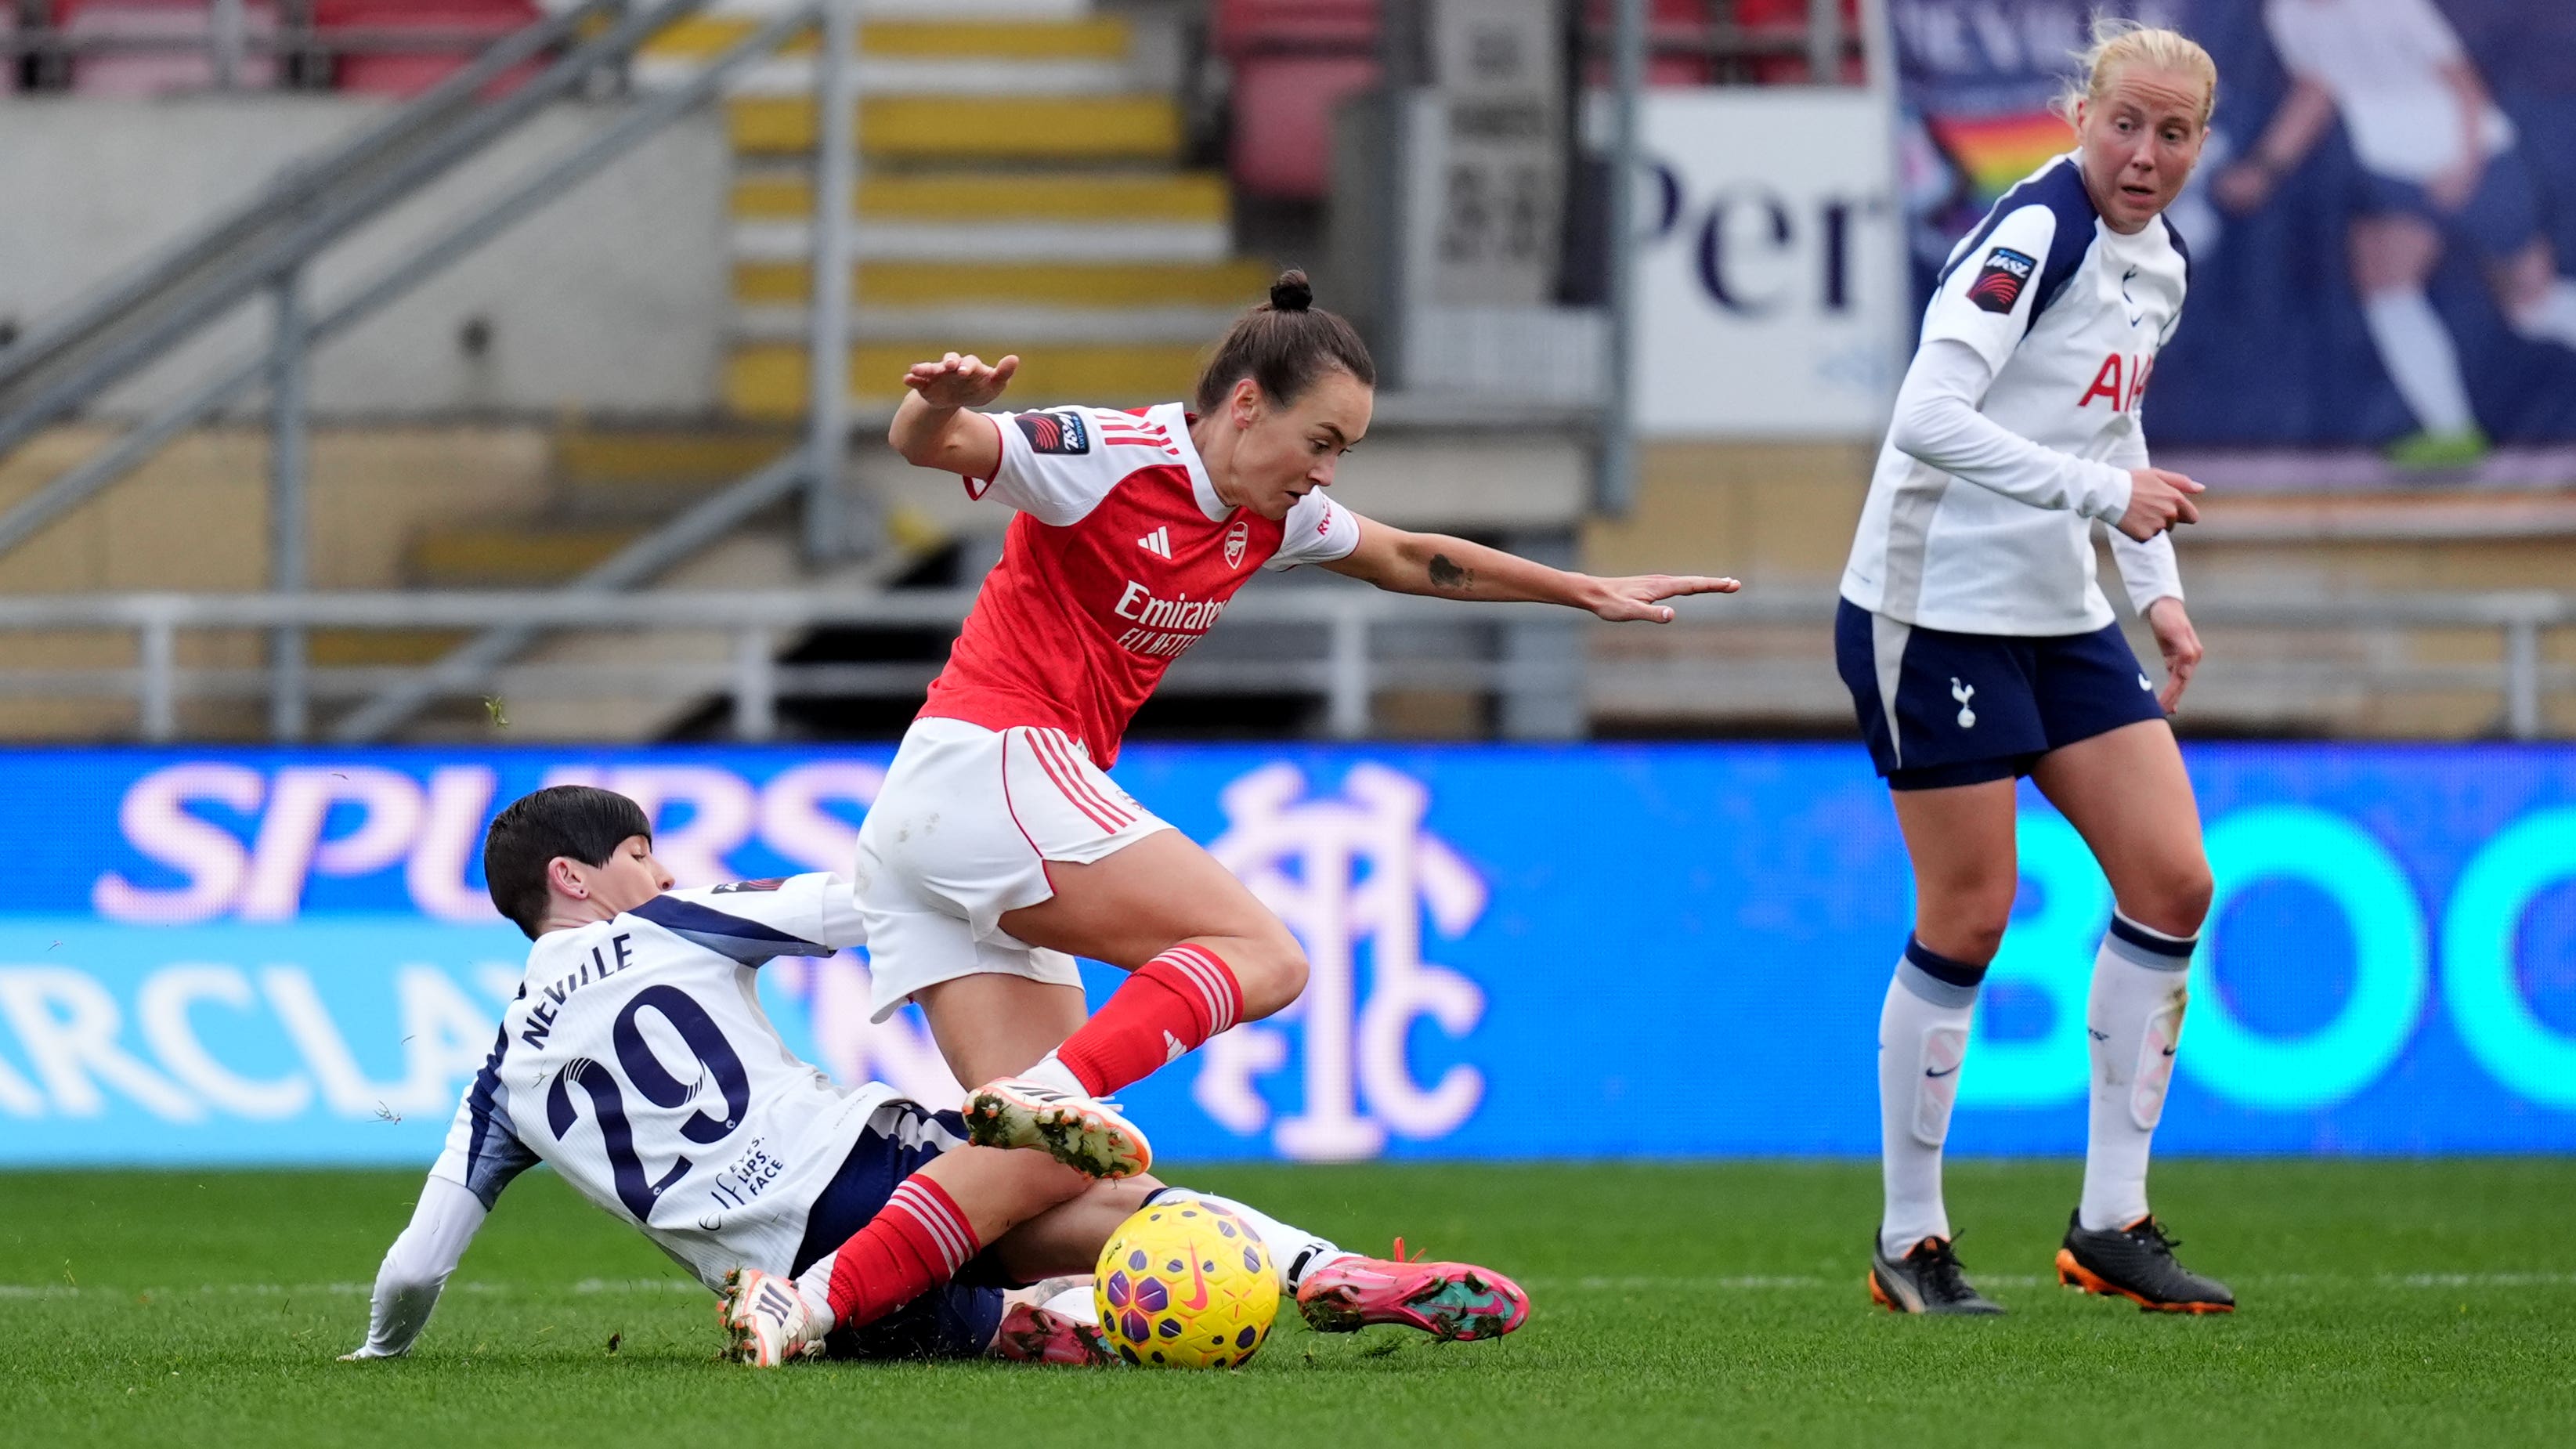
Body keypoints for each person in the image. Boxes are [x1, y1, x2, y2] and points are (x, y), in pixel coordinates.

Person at [868, 270, 1737, 1180]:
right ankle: (1053, 1086)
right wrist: (939, 401)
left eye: (1343, 452)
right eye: (1320, 442)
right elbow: (930, 442)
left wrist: (1581, 590)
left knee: (1046, 1174)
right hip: (991, 763)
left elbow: (1407, 556)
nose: (1326, 472)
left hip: (944, 822)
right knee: (1265, 956)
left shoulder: (1270, 515)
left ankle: (855, 1262)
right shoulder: (1106, 455)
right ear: (1247, 405)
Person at [341, 786, 1530, 1367]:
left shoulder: (498, 1079)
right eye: (641, 854)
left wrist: (379, 1354)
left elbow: (415, 1265)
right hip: (860, 1170)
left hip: (770, 1262)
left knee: (1049, 1308)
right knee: (1083, 1179)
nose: (661, 870)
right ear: (574, 876)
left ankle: (1028, 1319)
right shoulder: (672, 921)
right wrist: (1023, 890)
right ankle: (1322, 1266)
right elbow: (863, 903)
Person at [1835, 20, 2231, 1316]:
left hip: (2058, 614)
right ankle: (1909, 1239)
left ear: (2198, 145)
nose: (2144, 154)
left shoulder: (2158, 262)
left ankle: (2110, 1221)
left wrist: (2155, 593)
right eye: (2124, 125)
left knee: (2173, 881)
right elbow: (1926, 417)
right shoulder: (2034, 233)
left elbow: (2113, 422)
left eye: (2172, 134)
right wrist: (2103, 498)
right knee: (1968, 914)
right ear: (2078, 120)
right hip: (1930, 609)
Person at [2214, 0, 2576, 468]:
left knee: (2533, 308)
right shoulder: (2287, 13)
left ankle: (2454, 431)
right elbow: (2315, 92)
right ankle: (2452, 434)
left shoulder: (2389, 5)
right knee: (2387, 289)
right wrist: (2266, 168)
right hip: (2392, 173)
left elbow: (2464, 82)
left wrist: (2464, 167)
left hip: (2479, 163)